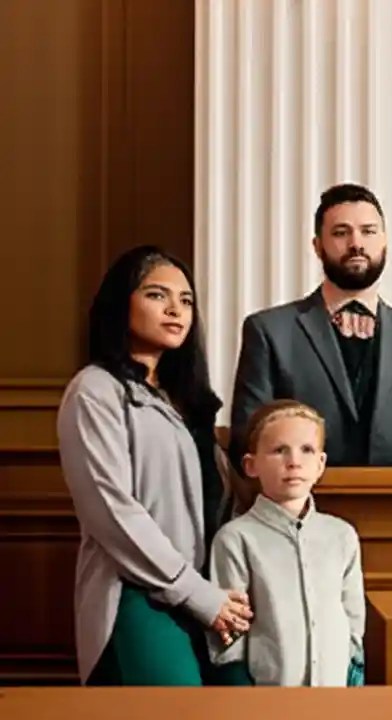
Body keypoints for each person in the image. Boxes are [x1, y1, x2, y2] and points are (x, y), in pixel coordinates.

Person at [57, 246, 253, 685]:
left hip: (209, 594)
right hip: (138, 592)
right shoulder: (96, 391)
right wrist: (195, 592)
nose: (175, 309)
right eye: (156, 295)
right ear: (120, 303)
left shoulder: (185, 401)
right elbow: (112, 510)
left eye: (185, 301)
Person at [230, 183, 392, 468]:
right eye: (341, 233)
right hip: (302, 506)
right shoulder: (269, 331)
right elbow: (248, 438)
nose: (356, 243)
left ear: (385, 241)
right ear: (317, 246)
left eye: (368, 231)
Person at [209, 400, 365, 686]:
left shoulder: (342, 536)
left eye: (306, 450)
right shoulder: (236, 539)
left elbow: (353, 617)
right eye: (280, 450)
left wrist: (352, 672)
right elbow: (231, 634)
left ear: (321, 464)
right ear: (251, 465)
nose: (294, 461)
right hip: (267, 698)